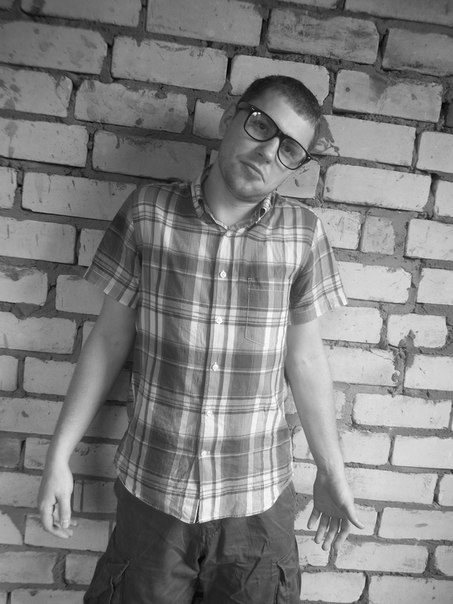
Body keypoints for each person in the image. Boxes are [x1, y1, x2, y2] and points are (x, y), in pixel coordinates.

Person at [38, 75, 363, 603]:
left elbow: (304, 361)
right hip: (154, 492)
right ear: (230, 118)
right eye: (261, 126)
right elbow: (109, 341)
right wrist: (59, 456)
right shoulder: (148, 213)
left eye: (289, 150)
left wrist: (332, 472)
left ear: (296, 165)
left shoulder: (304, 235)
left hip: (257, 504)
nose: (268, 152)